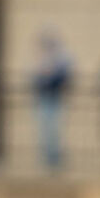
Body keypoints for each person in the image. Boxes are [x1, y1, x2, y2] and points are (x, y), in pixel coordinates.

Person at [33, 30, 74, 169]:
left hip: (56, 97)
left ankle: (54, 157)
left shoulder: (62, 58)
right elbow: (35, 78)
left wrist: (50, 76)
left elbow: (63, 76)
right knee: (44, 128)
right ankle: (47, 157)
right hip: (44, 97)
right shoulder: (41, 58)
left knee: (55, 128)